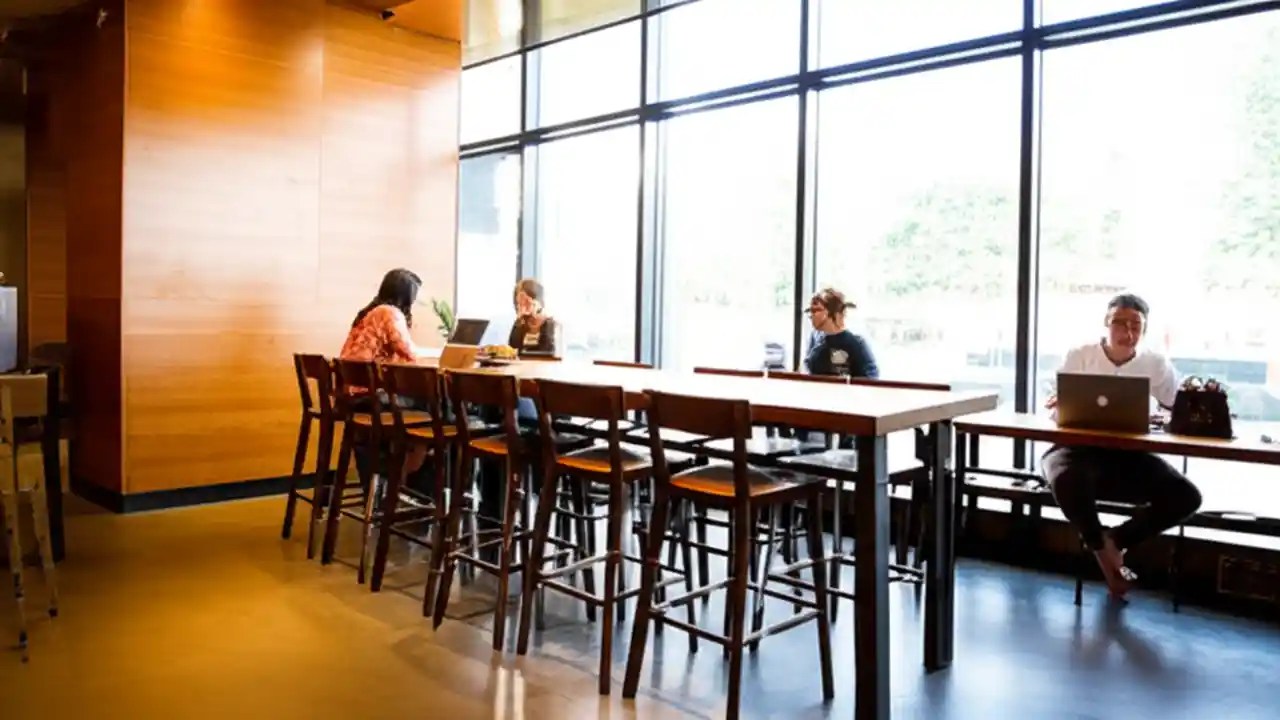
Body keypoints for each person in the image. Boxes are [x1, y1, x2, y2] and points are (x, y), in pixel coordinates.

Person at [1041, 292, 1202, 598]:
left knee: (1187, 496)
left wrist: (1169, 415)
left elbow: (1180, 404)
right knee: (1067, 478)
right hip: (1075, 450)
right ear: (1106, 322)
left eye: (1136, 326)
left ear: (1144, 330)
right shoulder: (1081, 355)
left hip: (1129, 458)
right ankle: (1103, 553)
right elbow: (1054, 407)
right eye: (1120, 323)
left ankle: (1115, 541)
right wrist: (1059, 405)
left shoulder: (1154, 363)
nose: (1127, 332)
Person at [340, 268, 429, 478]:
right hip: (371, 397)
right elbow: (409, 353)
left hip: (353, 395)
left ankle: (392, 482)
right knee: (436, 406)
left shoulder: (369, 312)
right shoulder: (389, 312)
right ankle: (407, 479)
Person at [804, 287, 878, 378]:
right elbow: (807, 369)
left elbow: (871, 377)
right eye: (810, 311)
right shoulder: (815, 338)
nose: (811, 315)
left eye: (816, 310)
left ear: (829, 312)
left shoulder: (856, 343)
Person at [508, 278, 560, 357]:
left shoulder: (550, 324)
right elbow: (512, 350)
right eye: (519, 303)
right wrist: (520, 321)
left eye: (526, 301)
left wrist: (536, 314)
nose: (523, 306)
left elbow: (548, 351)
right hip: (521, 368)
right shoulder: (520, 323)